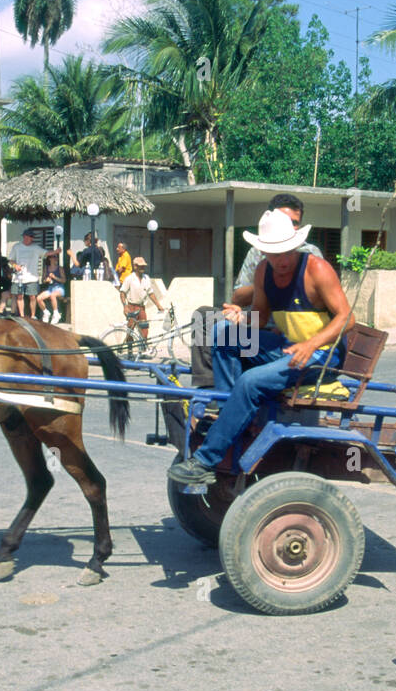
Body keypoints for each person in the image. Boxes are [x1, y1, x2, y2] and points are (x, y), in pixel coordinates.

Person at [168, 209, 352, 485]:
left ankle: (206, 461)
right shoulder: (263, 272)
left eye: (287, 251)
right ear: (263, 252)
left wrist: (311, 344)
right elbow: (262, 317)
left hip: (322, 354)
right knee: (223, 334)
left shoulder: (317, 269)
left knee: (250, 381)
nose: (282, 260)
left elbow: (347, 318)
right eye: (274, 253)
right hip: (289, 347)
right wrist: (241, 318)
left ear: (296, 245)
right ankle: (230, 417)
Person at [191, 193, 323, 387]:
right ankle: (208, 385)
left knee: (225, 334)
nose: (291, 227)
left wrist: (274, 278)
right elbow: (238, 296)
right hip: (255, 322)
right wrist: (262, 284)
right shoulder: (257, 251)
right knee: (203, 316)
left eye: (296, 223)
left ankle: (228, 396)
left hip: (278, 334)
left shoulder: (309, 255)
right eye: (286, 221)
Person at [120, 256, 166, 347]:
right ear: (135, 266)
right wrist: (125, 306)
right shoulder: (129, 278)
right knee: (130, 330)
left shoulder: (146, 278)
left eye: (143, 266)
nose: (142, 268)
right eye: (140, 266)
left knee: (144, 329)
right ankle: (130, 351)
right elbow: (122, 293)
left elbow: (150, 293)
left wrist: (158, 305)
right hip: (131, 307)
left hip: (141, 308)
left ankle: (144, 349)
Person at [8, 230, 45, 320]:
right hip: (19, 277)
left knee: (32, 296)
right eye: (27, 237)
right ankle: (22, 315)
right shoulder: (16, 247)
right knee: (19, 296)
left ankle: (33, 315)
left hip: (32, 277)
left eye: (30, 237)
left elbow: (46, 253)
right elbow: (11, 260)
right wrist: (15, 265)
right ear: (24, 237)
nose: (29, 239)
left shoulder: (36, 248)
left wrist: (56, 251)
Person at [38, 250, 67, 324]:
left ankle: (56, 313)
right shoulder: (46, 268)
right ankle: (46, 312)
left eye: (56, 257)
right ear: (50, 259)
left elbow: (64, 280)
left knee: (53, 295)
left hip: (59, 288)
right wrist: (46, 280)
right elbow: (43, 280)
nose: (55, 258)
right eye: (54, 257)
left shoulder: (60, 268)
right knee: (39, 298)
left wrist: (55, 277)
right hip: (50, 288)